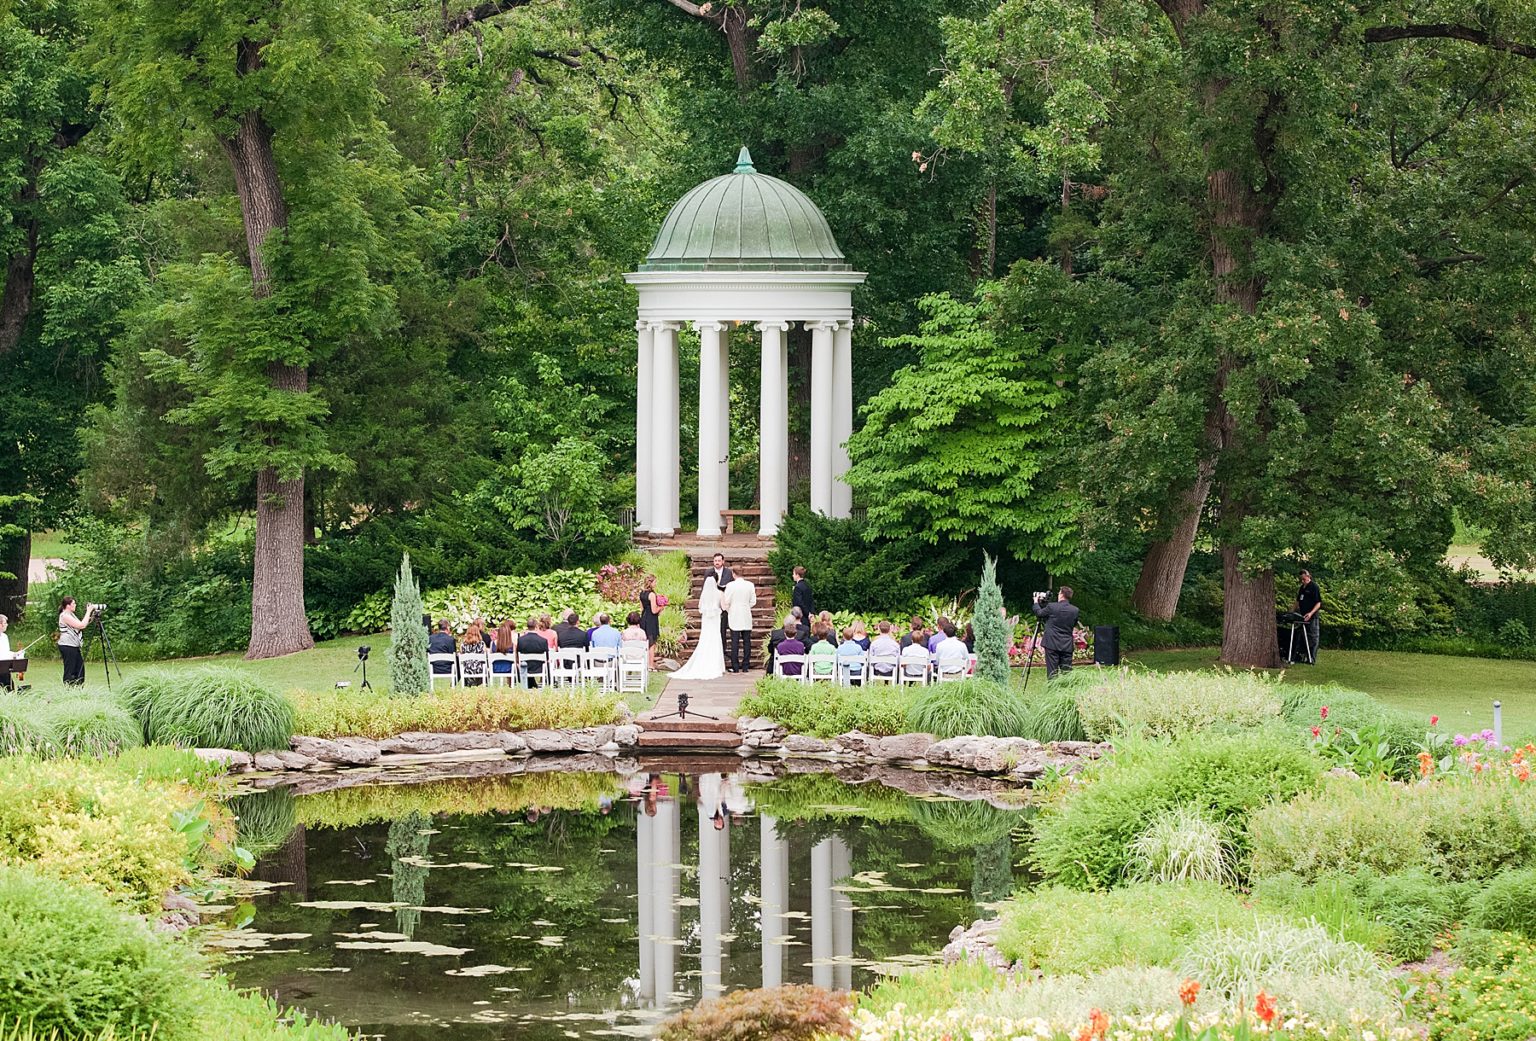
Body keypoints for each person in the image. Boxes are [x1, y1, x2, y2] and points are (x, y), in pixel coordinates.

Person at [674, 576, 726, 680]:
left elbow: (700, 607)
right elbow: (724, 607)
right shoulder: (720, 593)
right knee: (715, 638)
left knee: (705, 639)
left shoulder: (704, 595)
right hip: (715, 621)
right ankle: (716, 665)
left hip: (706, 622)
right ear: (716, 582)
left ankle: (704, 662)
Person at [1032, 586, 1081, 679]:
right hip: (1066, 645)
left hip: (1052, 643)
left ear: (1062, 595)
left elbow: (1040, 613)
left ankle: (1053, 690)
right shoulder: (1075, 610)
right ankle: (1067, 691)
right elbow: (1073, 624)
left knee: (1052, 672)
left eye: (1059, 593)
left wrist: (1035, 602)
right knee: (1067, 672)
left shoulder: (1052, 607)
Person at [721, 572, 758, 673]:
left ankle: (735, 666)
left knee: (735, 642)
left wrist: (730, 609)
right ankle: (746, 666)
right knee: (747, 642)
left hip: (734, 614)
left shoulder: (730, 586)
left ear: (734, 574)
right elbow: (753, 601)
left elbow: (726, 600)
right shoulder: (750, 585)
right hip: (746, 614)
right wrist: (745, 606)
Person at [57, 598, 97, 686]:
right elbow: (81, 625)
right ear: (68, 606)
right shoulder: (65, 616)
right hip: (67, 645)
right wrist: (88, 611)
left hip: (74, 645)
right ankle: (68, 688)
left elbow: (83, 624)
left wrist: (91, 615)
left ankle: (78, 688)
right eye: (74, 603)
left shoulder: (71, 614)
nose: (75, 605)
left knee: (79, 670)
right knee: (70, 670)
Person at [1293, 569, 1323, 664]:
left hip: (1312, 616)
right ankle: (1300, 656)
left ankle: (1311, 659)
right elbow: (1298, 601)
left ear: (1308, 577)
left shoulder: (1314, 587)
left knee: (1313, 637)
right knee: (1301, 636)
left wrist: (1310, 613)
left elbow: (1318, 603)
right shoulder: (1302, 588)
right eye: (1301, 579)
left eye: (1304, 579)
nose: (1302, 581)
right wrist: (1292, 611)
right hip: (1302, 616)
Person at [516, 616, 550, 685]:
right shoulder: (543, 641)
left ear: (527, 626)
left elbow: (518, 655)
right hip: (539, 667)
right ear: (536, 626)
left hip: (525, 666)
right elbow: (547, 657)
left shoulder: (520, 640)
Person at [709, 553, 734, 647]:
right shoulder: (709, 572)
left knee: (723, 629)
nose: (717, 563)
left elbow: (732, 587)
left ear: (723, 561)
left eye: (719, 561)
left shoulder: (728, 573)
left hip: (724, 604)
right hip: (713, 605)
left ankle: (723, 649)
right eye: (715, 561)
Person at [639, 574, 662, 647]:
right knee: (652, 642)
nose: (656, 584)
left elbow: (642, 608)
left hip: (643, 618)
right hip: (651, 619)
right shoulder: (652, 594)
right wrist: (661, 607)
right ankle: (651, 658)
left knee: (645, 641)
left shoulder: (641, 593)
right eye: (655, 582)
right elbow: (654, 610)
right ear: (650, 583)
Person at [0, 614, 14, 691]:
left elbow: (5, 652)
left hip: (4, 667)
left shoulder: (5, 637)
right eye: (5, 623)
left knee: (10, 686)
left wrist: (15, 654)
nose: (7, 625)